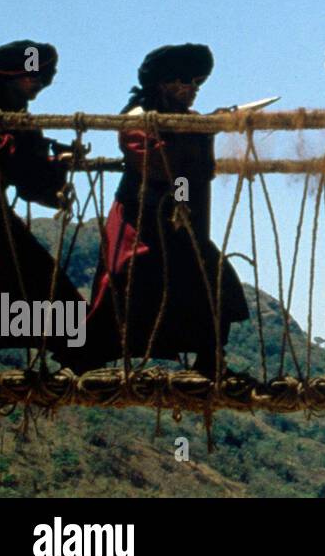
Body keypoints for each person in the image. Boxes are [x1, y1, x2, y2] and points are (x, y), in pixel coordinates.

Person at [80, 44, 249, 377]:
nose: (193, 92)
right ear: (164, 83)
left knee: (211, 281)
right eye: (187, 84)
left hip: (178, 213)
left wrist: (207, 129)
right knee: (130, 280)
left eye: (198, 85)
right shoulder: (136, 118)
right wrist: (204, 130)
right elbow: (160, 166)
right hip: (141, 215)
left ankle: (210, 360)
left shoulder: (189, 120)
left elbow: (190, 175)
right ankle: (91, 359)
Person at [0, 40, 86, 366]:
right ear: (9, 77)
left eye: (44, 77)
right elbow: (16, 164)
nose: (40, 84)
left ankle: (73, 362)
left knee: (50, 293)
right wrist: (53, 163)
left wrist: (57, 168)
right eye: (33, 77)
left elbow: (29, 177)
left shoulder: (22, 123)